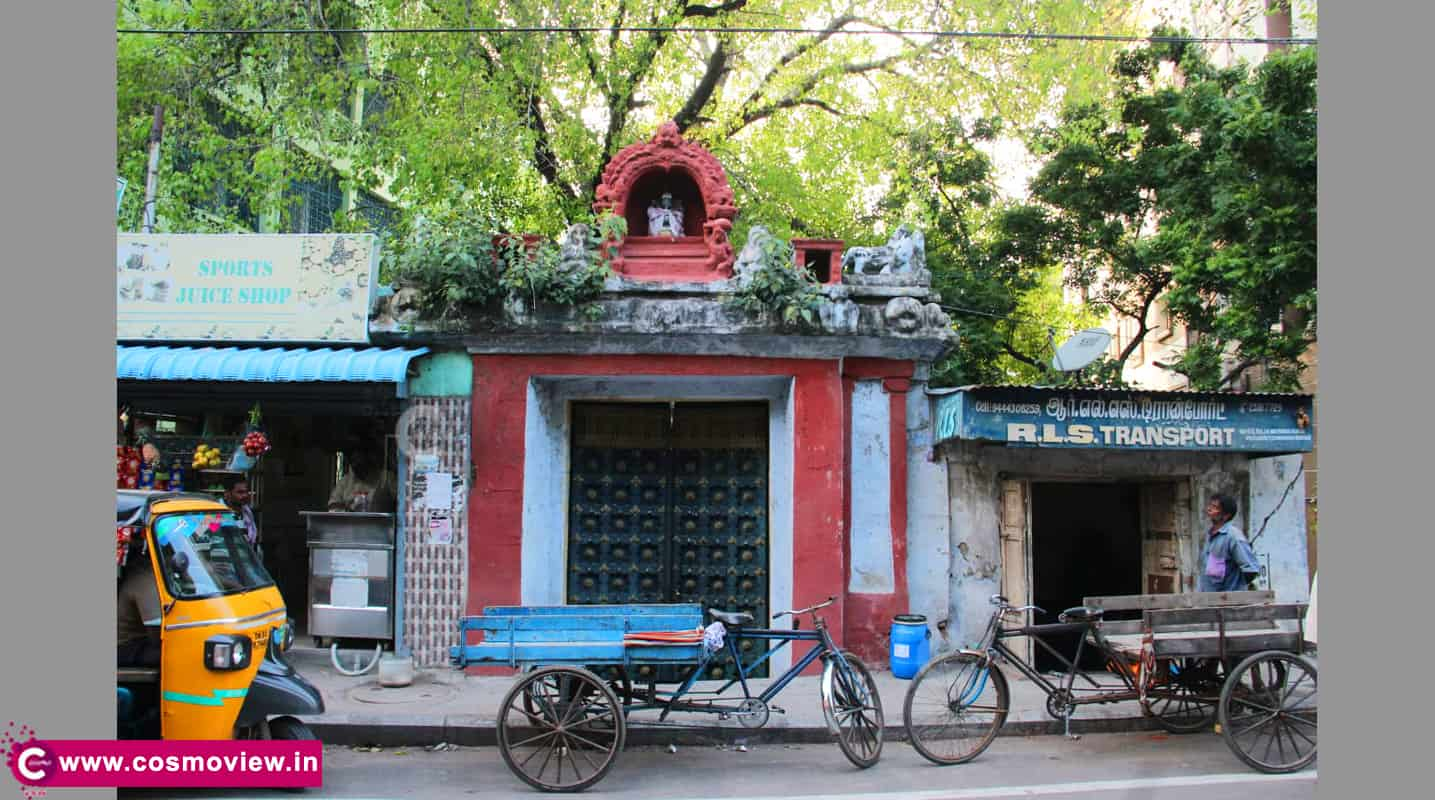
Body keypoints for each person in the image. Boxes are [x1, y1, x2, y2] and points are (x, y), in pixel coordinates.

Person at [1197, 493, 1262, 593]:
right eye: (1210, 505)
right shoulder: (1210, 535)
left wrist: (1234, 591)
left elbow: (1251, 569)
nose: (1209, 509)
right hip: (1208, 599)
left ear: (1226, 515)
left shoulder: (1233, 536)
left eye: (1215, 507)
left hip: (1227, 602)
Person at [117, 544, 162, 667]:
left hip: (138, 642)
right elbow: (156, 636)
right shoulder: (143, 579)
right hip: (125, 646)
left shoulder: (153, 577)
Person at [328, 450, 395, 513]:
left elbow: (400, 502)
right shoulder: (345, 481)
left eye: (360, 462)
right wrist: (349, 510)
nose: (356, 466)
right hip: (350, 523)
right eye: (353, 462)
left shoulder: (387, 478)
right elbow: (332, 505)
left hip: (378, 522)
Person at [223, 476, 261, 558]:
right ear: (227, 493)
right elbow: (201, 535)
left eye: (246, 492)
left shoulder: (247, 513)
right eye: (240, 492)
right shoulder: (218, 514)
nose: (245, 495)